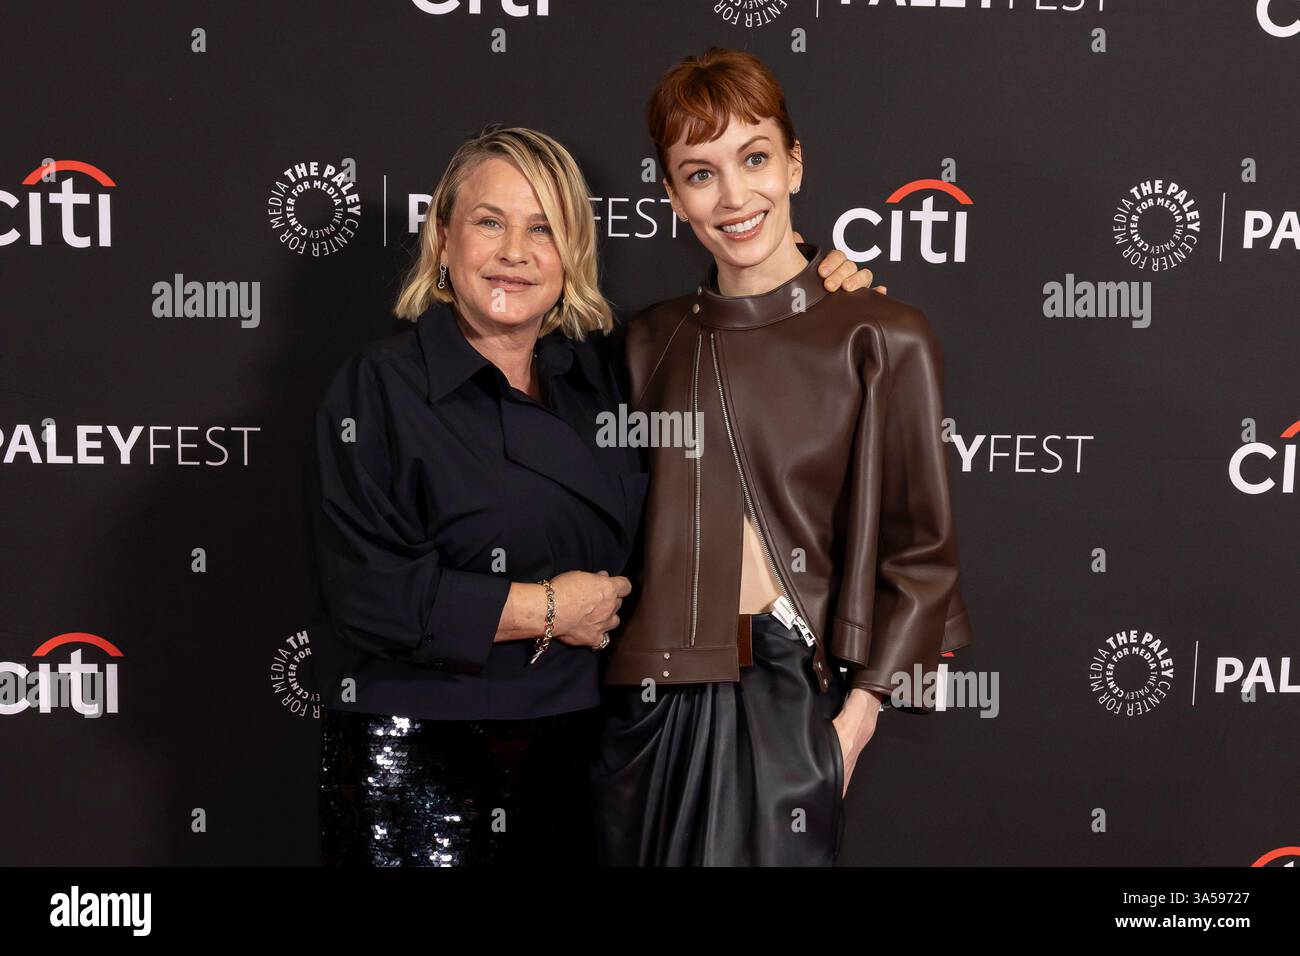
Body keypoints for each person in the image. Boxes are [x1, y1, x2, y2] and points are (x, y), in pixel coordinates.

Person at [306, 124, 878, 866]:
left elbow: (739, 366)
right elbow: (366, 591)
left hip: (589, 761)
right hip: (420, 762)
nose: (515, 251)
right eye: (490, 222)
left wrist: (826, 299)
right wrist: (549, 608)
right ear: (444, 237)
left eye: (543, 229)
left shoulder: (603, 379)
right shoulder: (379, 387)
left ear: (571, 253)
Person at [592, 48, 975, 866]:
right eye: (700, 173)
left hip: (786, 699)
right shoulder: (644, 342)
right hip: (644, 702)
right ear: (671, 196)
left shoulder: (881, 333)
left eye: (754, 158)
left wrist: (853, 725)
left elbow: (922, 557)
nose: (734, 197)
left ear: (794, 164)